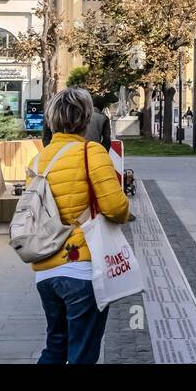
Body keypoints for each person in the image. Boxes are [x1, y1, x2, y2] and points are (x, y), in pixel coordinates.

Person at [28, 87, 130, 365]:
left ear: (52, 120)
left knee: (55, 346)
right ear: (85, 118)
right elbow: (116, 207)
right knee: (82, 353)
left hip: (46, 271)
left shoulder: (39, 160)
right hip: (82, 269)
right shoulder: (91, 152)